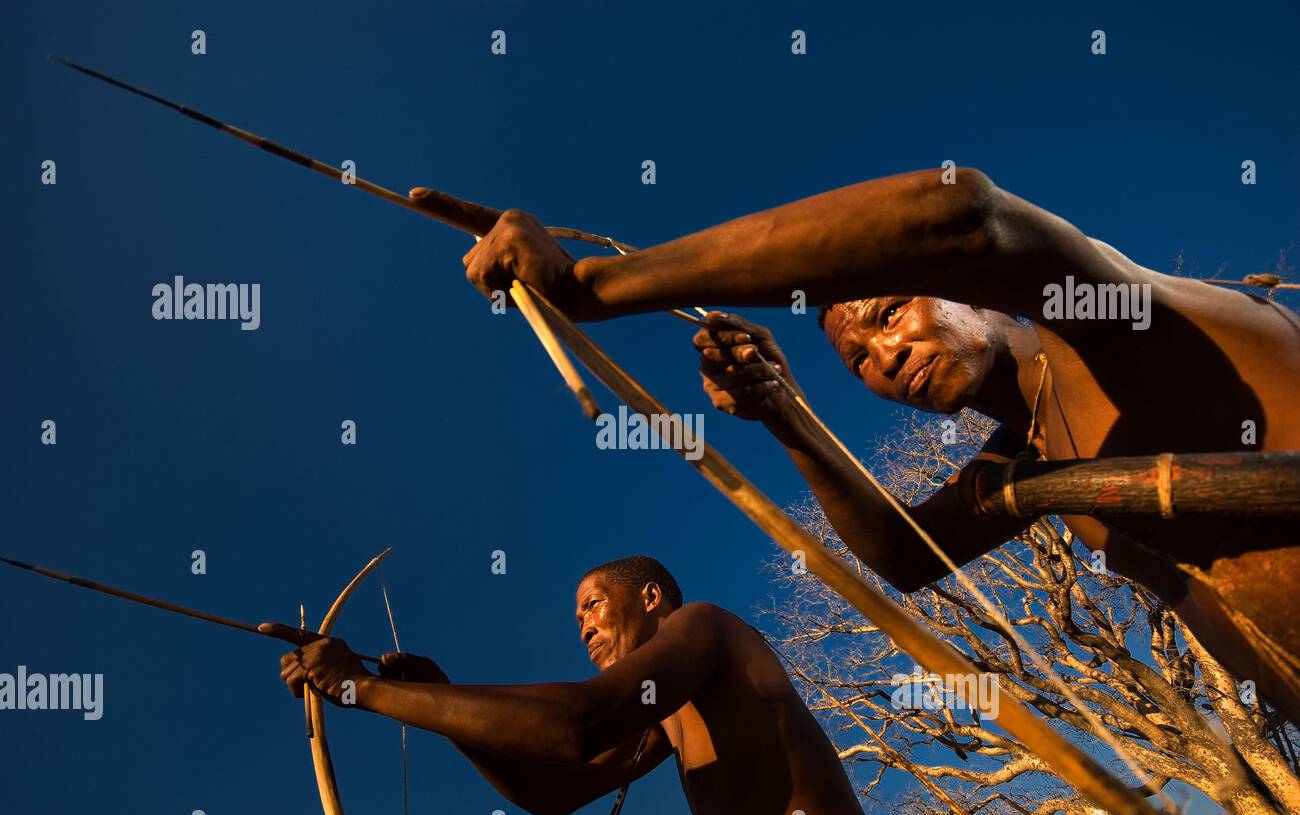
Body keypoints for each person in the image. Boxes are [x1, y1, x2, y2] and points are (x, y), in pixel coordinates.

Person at [453, 167, 1300, 724]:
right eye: (859, 362)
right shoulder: (1031, 460)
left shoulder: (1100, 320)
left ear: (968, 296)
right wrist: (784, 413)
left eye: (892, 315)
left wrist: (595, 287)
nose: (885, 358)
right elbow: (907, 552)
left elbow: (958, 214)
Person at [275, 555, 907, 815]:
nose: (582, 627)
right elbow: (551, 792)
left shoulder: (704, 627)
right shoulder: (664, 718)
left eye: (591, 605)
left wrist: (364, 688)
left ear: (651, 597)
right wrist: (434, 692)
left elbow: (575, 724)